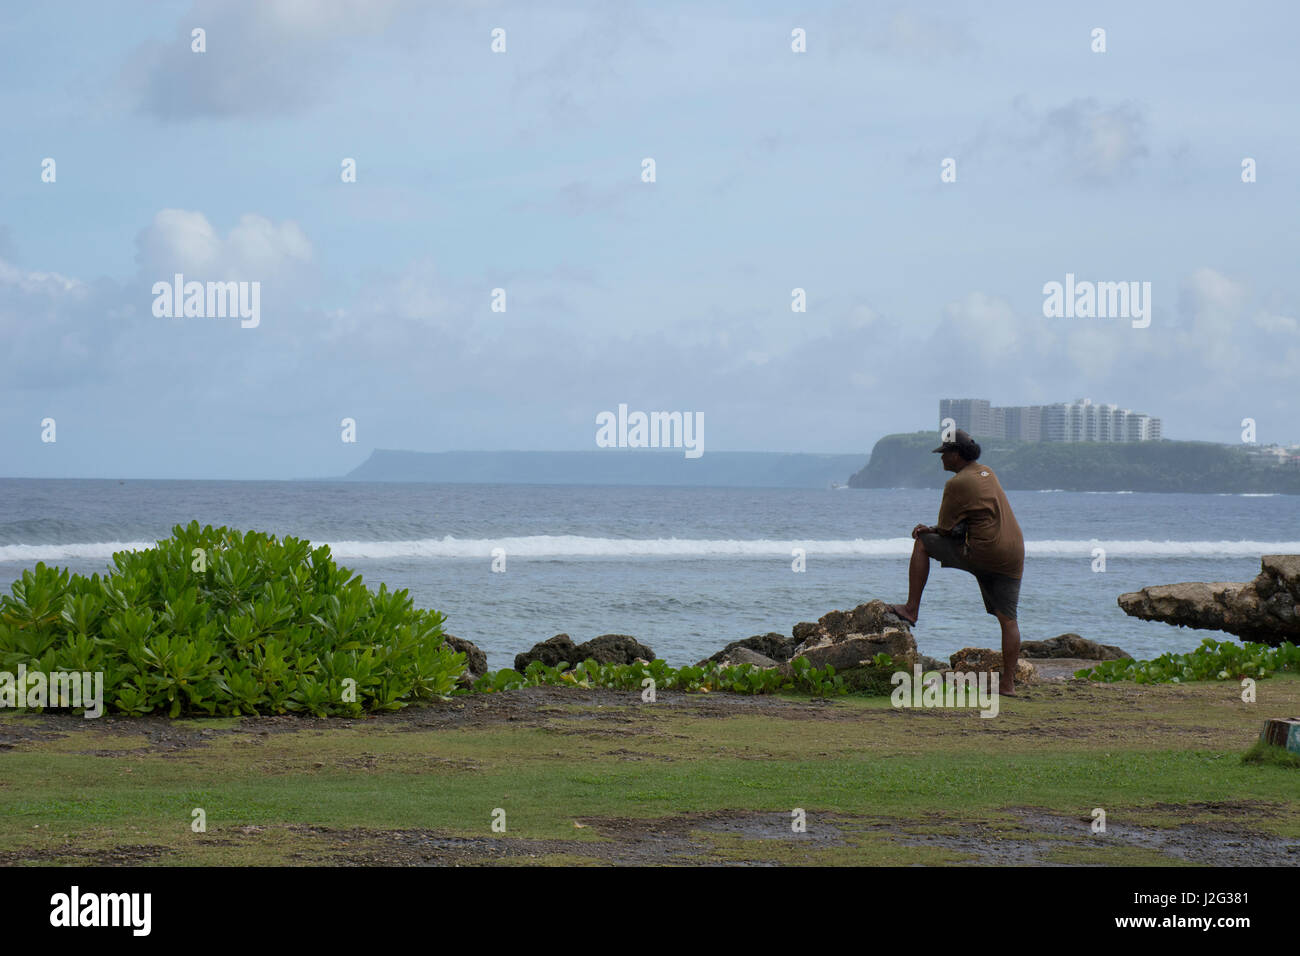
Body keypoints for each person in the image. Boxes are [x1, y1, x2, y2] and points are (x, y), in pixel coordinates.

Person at [889, 429, 1025, 695]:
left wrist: (924, 529)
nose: (941, 459)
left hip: (984, 551)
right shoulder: (987, 471)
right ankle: (1008, 684)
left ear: (957, 455)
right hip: (1013, 553)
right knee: (1009, 620)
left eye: (944, 454)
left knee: (922, 542)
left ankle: (911, 609)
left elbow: (945, 529)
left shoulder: (957, 483)